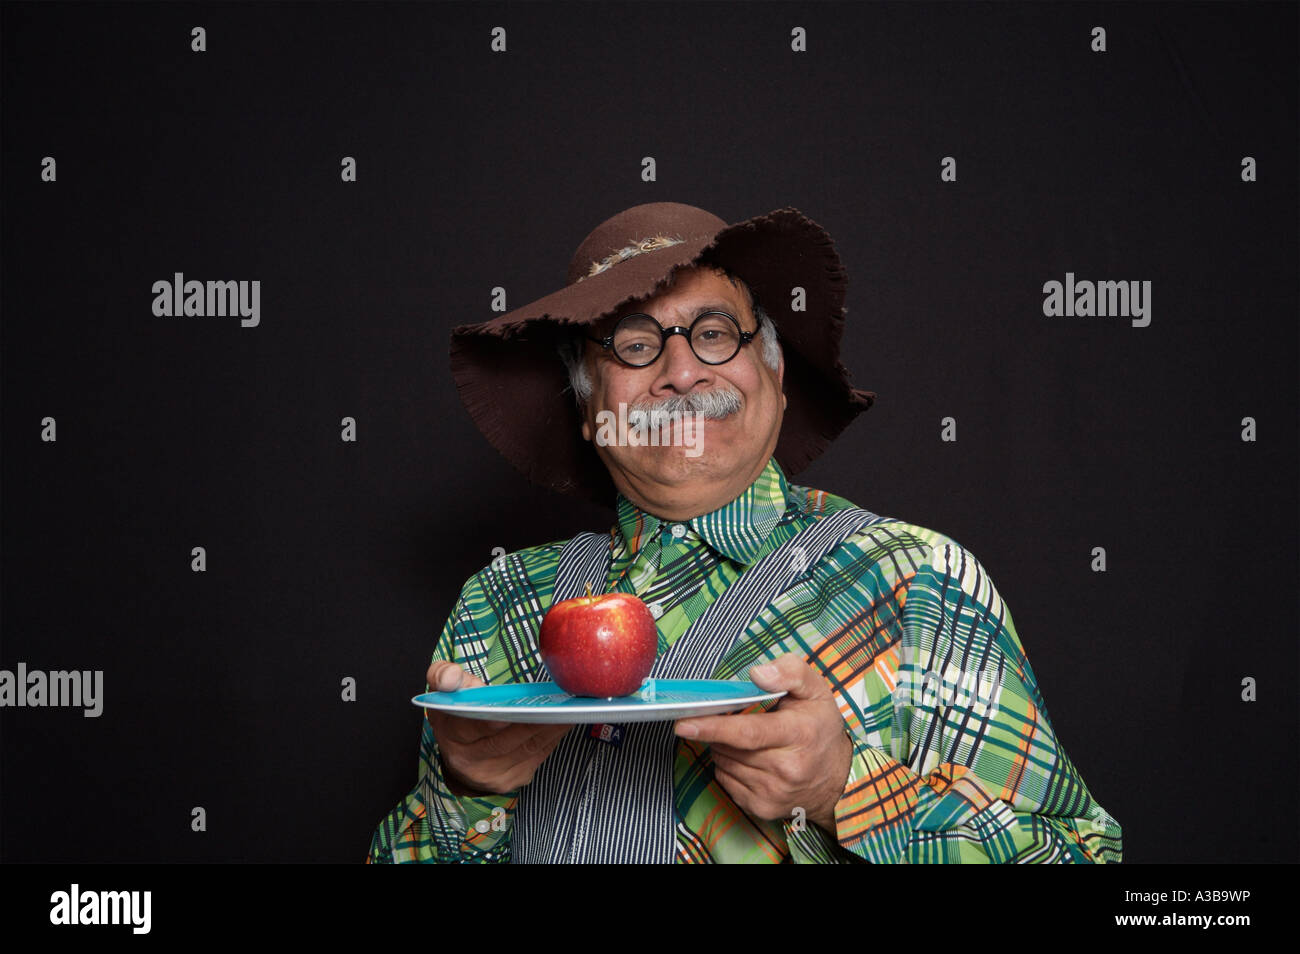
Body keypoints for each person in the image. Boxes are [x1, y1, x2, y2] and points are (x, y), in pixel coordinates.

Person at [367, 202, 1123, 863]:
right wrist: (465, 790)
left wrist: (843, 792)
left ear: (775, 377)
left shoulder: (914, 580)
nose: (681, 371)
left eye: (715, 332)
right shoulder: (500, 602)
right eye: (633, 344)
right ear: (586, 400)